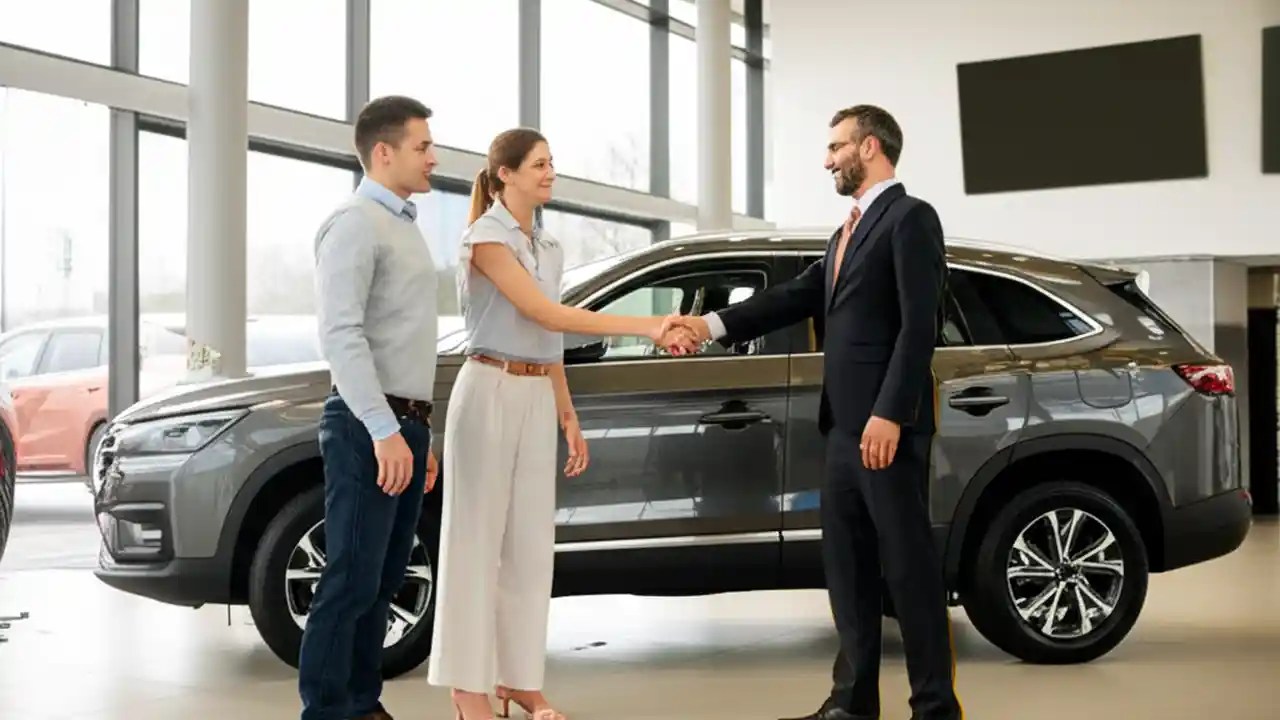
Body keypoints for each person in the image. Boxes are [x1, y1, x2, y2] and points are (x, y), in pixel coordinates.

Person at [671, 105, 963, 720]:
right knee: (848, 571)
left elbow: (919, 328)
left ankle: (935, 709)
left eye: (837, 146)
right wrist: (709, 323)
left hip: (886, 428)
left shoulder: (911, 219)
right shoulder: (844, 235)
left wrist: (890, 412)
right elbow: (791, 297)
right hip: (841, 431)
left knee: (909, 574)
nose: (827, 159)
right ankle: (852, 705)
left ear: (872, 147)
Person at [426, 127, 695, 720]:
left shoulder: (549, 248)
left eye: (552, 163)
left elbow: (547, 341)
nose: (550, 173)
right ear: (506, 175)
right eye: (539, 165)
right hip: (487, 389)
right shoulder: (484, 238)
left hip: (534, 395)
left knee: (529, 545)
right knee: (475, 546)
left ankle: (521, 680)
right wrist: (647, 327)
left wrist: (567, 415)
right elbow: (544, 311)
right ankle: (468, 688)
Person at [298, 95, 442, 720]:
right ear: (383, 153)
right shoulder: (355, 223)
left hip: (402, 424)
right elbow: (341, 335)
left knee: (382, 581)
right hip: (366, 424)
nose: (433, 157)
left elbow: (402, 337)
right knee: (350, 579)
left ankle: (361, 702)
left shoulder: (403, 225)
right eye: (422, 146)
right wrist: (385, 430)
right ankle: (328, 711)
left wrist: (419, 435)